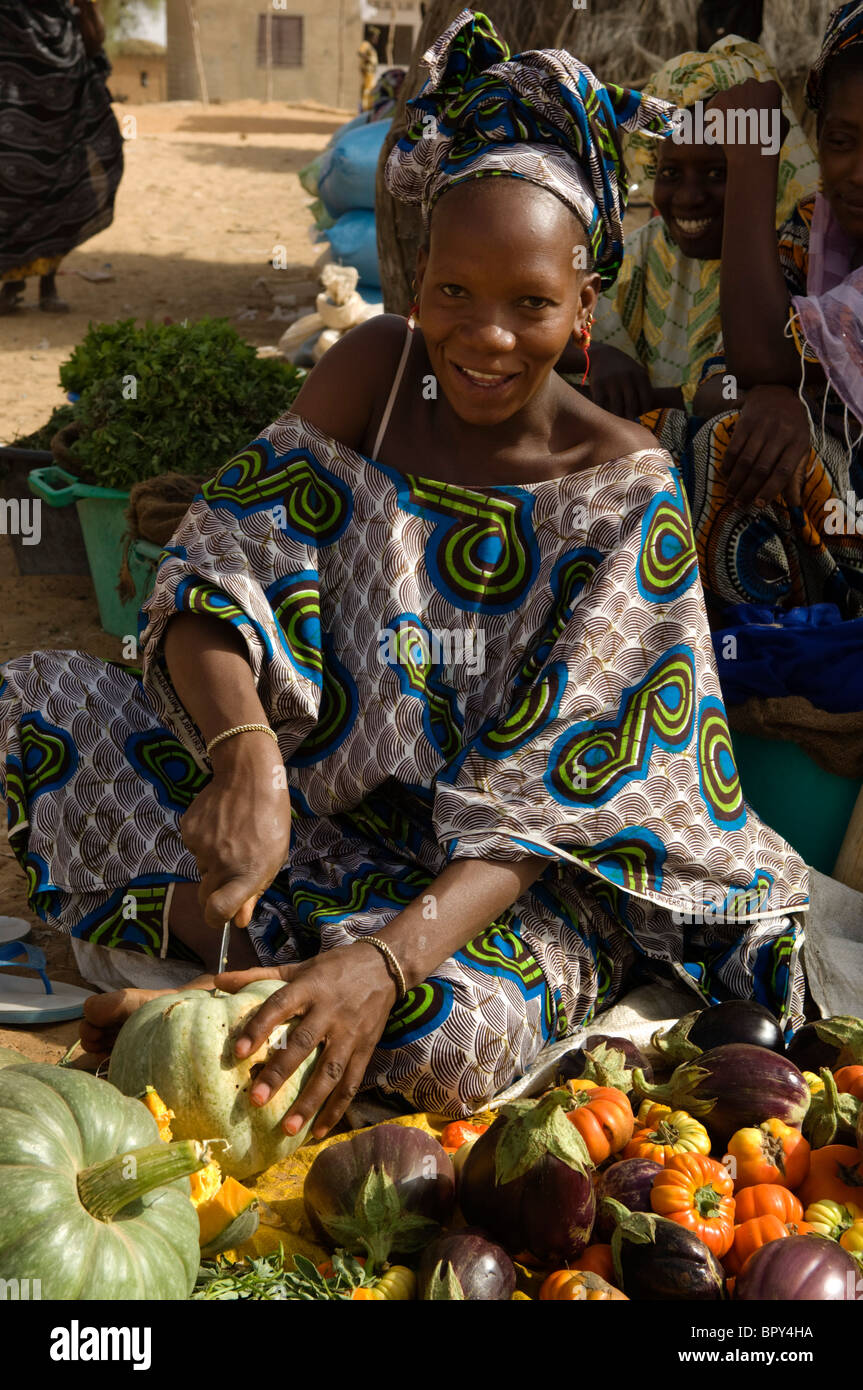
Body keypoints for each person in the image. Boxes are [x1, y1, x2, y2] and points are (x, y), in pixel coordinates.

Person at [0, 11, 809, 1136]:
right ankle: (269, 957)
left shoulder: (624, 489)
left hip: (495, 883)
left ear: (583, 308)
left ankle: (237, 968)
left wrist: (387, 961)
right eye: (452, 294)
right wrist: (245, 761)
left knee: (451, 1031)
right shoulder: (371, 379)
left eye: (529, 302)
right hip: (324, 819)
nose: (482, 337)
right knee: (42, 700)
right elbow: (209, 578)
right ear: (416, 284)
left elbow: (555, 805)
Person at [648, 4, 863, 613]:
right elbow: (724, 379)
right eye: (842, 141)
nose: (857, 172)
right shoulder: (810, 233)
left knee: (738, 447)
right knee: (643, 446)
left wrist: (750, 161)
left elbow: (768, 357)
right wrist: (782, 391)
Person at [581, 38, 818, 420]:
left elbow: (741, 396)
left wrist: (636, 403)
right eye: (671, 172)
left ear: (764, 171)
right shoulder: (644, 251)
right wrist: (595, 354)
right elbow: (565, 315)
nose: (689, 197)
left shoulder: (795, 264)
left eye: (716, 172)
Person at [0, 0, 124, 315]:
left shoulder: (68, 17)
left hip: (62, 120)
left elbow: (95, 45)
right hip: (13, 122)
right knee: (10, 194)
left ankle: (47, 285)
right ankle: (11, 282)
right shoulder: (7, 15)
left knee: (60, 193)